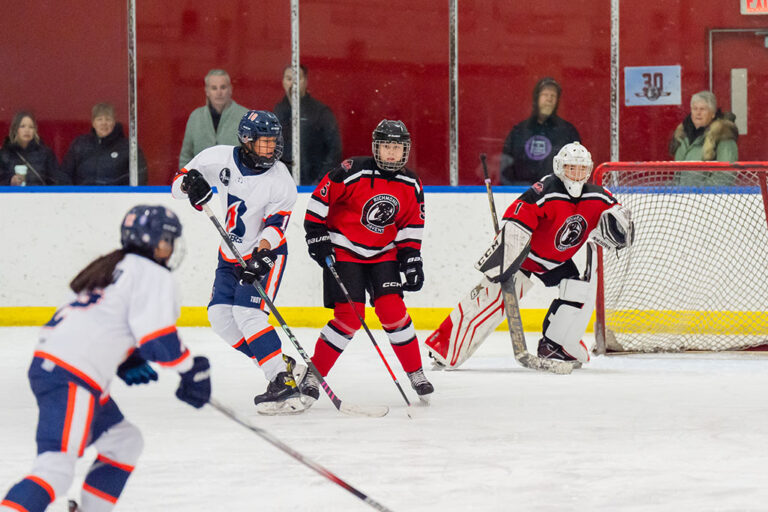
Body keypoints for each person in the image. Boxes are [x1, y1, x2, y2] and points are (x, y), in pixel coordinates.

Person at [0, 205, 211, 512]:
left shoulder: (117, 265)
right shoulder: (150, 272)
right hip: (73, 375)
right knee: (55, 469)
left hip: (59, 366)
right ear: (151, 241)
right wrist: (191, 370)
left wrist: (127, 358)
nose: (170, 248)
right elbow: (158, 340)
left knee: (124, 442)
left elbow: (104, 320)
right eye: (167, 240)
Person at [426, 142, 634, 368]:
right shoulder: (546, 189)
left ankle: (554, 345)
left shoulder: (599, 197)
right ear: (559, 167)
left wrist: (621, 227)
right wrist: (509, 243)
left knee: (578, 290)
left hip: (557, 261)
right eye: (571, 168)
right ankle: (443, 348)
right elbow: (519, 212)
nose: (576, 174)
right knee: (490, 299)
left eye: (582, 169)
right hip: (525, 257)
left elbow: (619, 215)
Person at [172, 110, 301, 414]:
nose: (271, 149)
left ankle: (280, 379)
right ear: (246, 140)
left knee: (248, 314)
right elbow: (177, 185)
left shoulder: (281, 181)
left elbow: (275, 226)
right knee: (220, 319)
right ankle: (282, 364)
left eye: (274, 142)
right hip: (229, 254)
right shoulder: (217, 158)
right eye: (264, 143)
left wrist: (262, 254)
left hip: (265, 255)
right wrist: (191, 186)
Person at [300, 119, 434, 404]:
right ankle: (313, 375)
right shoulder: (352, 171)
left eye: (396, 148)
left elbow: (411, 227)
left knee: (393, 311)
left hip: (383, 253)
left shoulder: (411, 183)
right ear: (376, 147)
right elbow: (318, 203)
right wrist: (317, 235)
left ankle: (416, 372)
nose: (390, 153)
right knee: (349, 317)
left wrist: (412, 260)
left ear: (405, 151)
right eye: (386, 146)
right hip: (344, 250)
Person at [500, 77, 581, 186]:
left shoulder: (567, 132)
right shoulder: (519, 131)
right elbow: (506, 170)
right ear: (536, 98)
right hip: (521, 193)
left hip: (555, 194)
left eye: (553, 95)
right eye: (545, 95)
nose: (549, 99)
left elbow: (577, 168)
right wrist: (513, 190)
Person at [274, 65, 342, 185]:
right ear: (283, 81)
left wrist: (320, 182)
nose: (292, 84)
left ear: (305, 81)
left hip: (313, 185)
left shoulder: (320, 111)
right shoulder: (277, 112)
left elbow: (334, 149)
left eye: (297, 79)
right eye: (289, 79)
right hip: (283, 185)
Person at [59, 103, 148, 185]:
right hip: (82, 198)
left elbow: (140, 177)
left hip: (117, 199)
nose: (104, 123)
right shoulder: (79, 144)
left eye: (108, 119)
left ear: (114, 122)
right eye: (99, 119)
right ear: (93, 123)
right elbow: (65, 174)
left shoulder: (128, 147)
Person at [179, 69, 249, 168]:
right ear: (207, 91)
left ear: (230, 89)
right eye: (214, 88)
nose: (219, 92)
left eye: (223, 87)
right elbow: (186, 157)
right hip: (201, 180)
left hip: (235, 180)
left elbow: (251, 155)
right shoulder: (195, 117)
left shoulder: (245, 117)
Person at [669, 90, 739, 186]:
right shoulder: (683, 136)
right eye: (695, 109)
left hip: (709, 198)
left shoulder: (724, 137)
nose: (698, 113)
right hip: (683, 198)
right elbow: (678, 175)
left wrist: (701, 193)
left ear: (713, 113)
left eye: (703, 109)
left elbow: (725, 176)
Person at [0, 111, 61, 186]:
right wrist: (10, 181)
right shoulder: (4, 155)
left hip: (40, 196)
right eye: (22, 126)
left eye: (31, 127)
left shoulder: (45, 154)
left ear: (34, 131)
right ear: (15, 129)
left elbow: (56, 180)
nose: (27, 130)